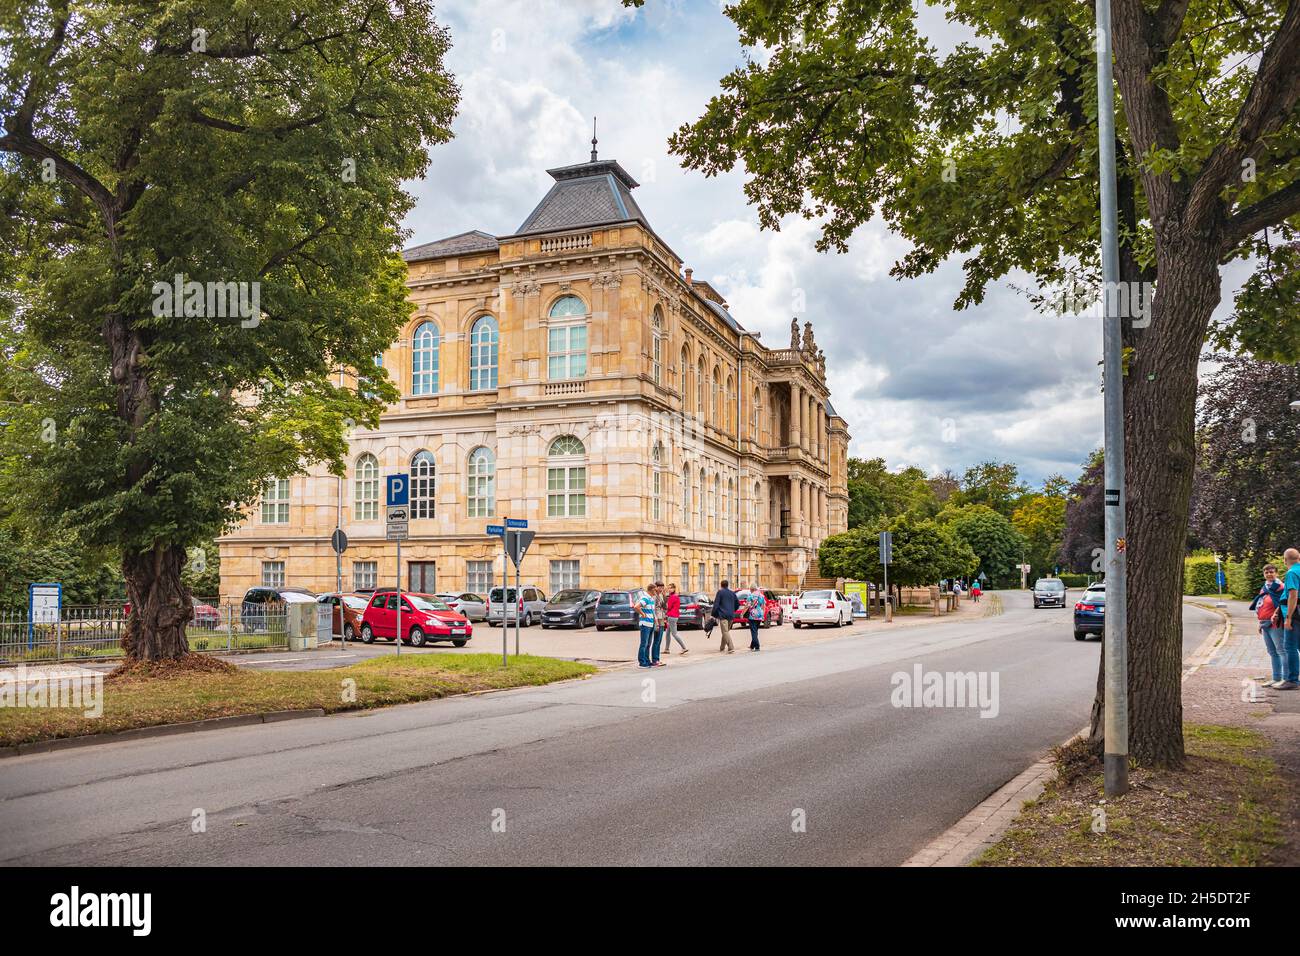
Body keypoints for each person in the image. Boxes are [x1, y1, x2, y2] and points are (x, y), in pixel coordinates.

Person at [1250, 565, 1285, 687]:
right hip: (1265, 623)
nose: (1269, 574)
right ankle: (1276, 678)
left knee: (1281, 651)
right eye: (1266, 572)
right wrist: (1260, 623)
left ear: (1276, 573)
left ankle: (1286, 679)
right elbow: (1261, 605)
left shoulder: (1280, 587)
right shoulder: (1265, 587)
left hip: (1276, 623)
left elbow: (1283, 604)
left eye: (1271, 572)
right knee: (1272, 652)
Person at [1278, 549, 1300, 690]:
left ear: (1285, 560)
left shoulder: (1292, 572)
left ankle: (1292, 680)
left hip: (1295, 614)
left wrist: (1288, 618)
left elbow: (1293, 595)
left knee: (1290, 647)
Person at [712, 579, 739, 654]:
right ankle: (722, 647)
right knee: (726, 632)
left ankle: (731, 647)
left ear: (721, 585)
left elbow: (716, 604)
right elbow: (737, 604)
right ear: (727, 585)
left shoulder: (720, 592)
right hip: (731, 615)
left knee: (725, 632)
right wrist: (733, 610)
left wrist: (713, 614)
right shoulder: (732, 593)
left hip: (723, 615)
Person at [636, 584, 658, 668]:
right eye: (655, 590)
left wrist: (655, 620)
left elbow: (652, 611)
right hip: (645, 624)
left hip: (651, 623)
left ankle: (647, 661)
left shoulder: (651, 598)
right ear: (651, 590)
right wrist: (643, 614)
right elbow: (636, 607)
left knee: (648, 644)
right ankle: (642, 662)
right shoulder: (645, 597)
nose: (656, 592)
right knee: (644, 643)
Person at [663, 583, 687, 655]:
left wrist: (664, 609)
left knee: (674, 634)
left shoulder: (673, 597)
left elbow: (668, 607)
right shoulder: (674, 596)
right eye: (668, 588)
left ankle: (684, 648)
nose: (669, 589)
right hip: (673, 616)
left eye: (670, 588)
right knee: (667, 633)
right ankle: (667, 649)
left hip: (672, 617)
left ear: (674, 589)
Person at [744, 584, 766, 651]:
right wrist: (763, 615)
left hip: (752, 615)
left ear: (751, 589)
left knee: (753, 631)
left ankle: (757, 646)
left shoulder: (750, 596)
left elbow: (747, 606)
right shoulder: (761, 596)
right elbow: (763, 607)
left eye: (750, 589)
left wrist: (742, 613)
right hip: (759, 614)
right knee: (755, 631)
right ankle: (752, 646)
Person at [650, 582, 666, 666]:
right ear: (656, 587)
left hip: (662, 618)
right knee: (656, 641)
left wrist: (664, 596)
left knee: (659, 641)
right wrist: (655, 621)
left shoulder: (660, 595)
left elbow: (665, 607)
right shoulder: (654, 596)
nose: (661, 589)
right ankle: (654, 660)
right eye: (660, 587)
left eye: (662, 588)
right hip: (657, 619)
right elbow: (653, 610)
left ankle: (657, 659)